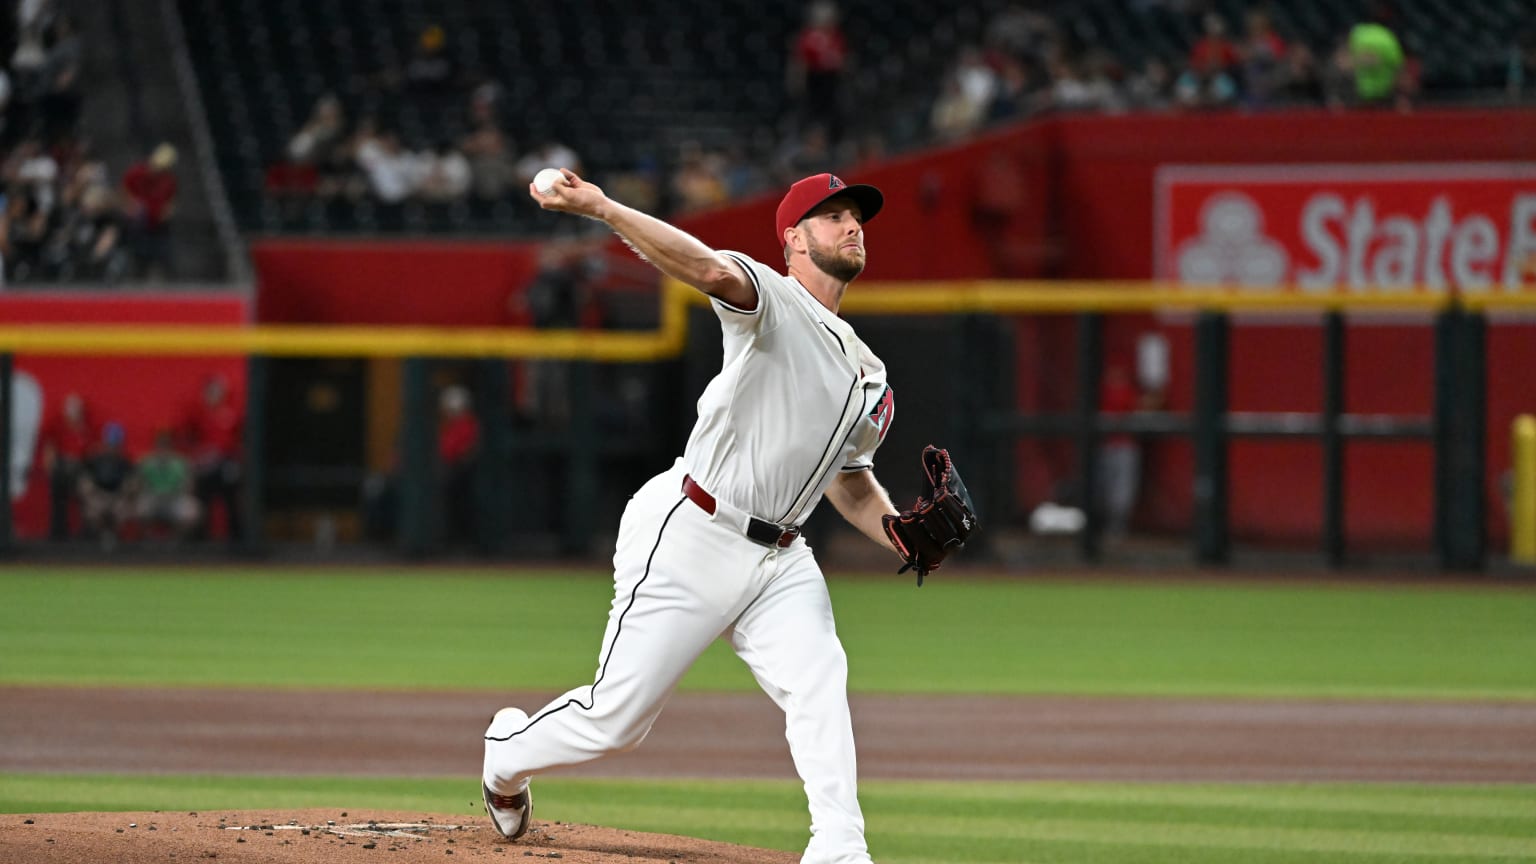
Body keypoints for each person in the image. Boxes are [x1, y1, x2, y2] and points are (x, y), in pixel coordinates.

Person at [483, 169, 948, 864]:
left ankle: (841, 847)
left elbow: (847, 479)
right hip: (694, 529)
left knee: (819, 678)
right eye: (833, 217)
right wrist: (604, 208)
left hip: (781, 559)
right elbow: (701, 266)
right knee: (615, 722)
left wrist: (897, 532)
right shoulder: (771, 301)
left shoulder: (871, 373)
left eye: (857, 217)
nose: (853, 226)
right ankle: (504, 757)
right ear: (793, 238)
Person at [183, 374, 242, 542]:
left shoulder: (231, 414)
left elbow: (238, 441)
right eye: (211, 391)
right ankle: (201, 541)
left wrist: (233, 459)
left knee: (230, 500)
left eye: (217, 391)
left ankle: (236, 540)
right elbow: (190, 438)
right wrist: (199, 455)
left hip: (226, 464)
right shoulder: (199, 414)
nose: (214, 395)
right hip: (206, 466)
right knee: (203, 502)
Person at [39, 391, 94, 540]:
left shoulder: (85, 430)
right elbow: (49, 449)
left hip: (79, 470)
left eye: (77, 410)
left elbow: (89, 454)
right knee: (58, 493)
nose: (74, 414)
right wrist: (49, 466)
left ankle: (87, 532)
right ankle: (58, 532)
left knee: (88, 492)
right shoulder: (57, 426)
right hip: (61, 468)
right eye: (71, 410)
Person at [134, 429, 201, 543]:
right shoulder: (146, 462)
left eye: (166, 445)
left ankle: (175, 541)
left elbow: (189, 485)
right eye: (160, 445)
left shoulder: (180, 463)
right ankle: (150, 540)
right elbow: (137, 484)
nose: (163, 449)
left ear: (170, 446)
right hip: (153, 497)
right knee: (137, 509)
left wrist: (181, 490)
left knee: (192, 511)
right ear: (156, 446)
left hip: (175, 498)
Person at [77, 421, 135, 549]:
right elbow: (84, 479)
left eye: (116, 444)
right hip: (98, 495)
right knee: (93, 510)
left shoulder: (125, 461)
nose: (113, 447)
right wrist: (90, 491)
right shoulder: (95, 458)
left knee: (123, 510)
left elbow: (131, 483)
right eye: (110, 443)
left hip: (117, 497)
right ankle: (98, 539)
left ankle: (113, 538)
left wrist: (125, 494)